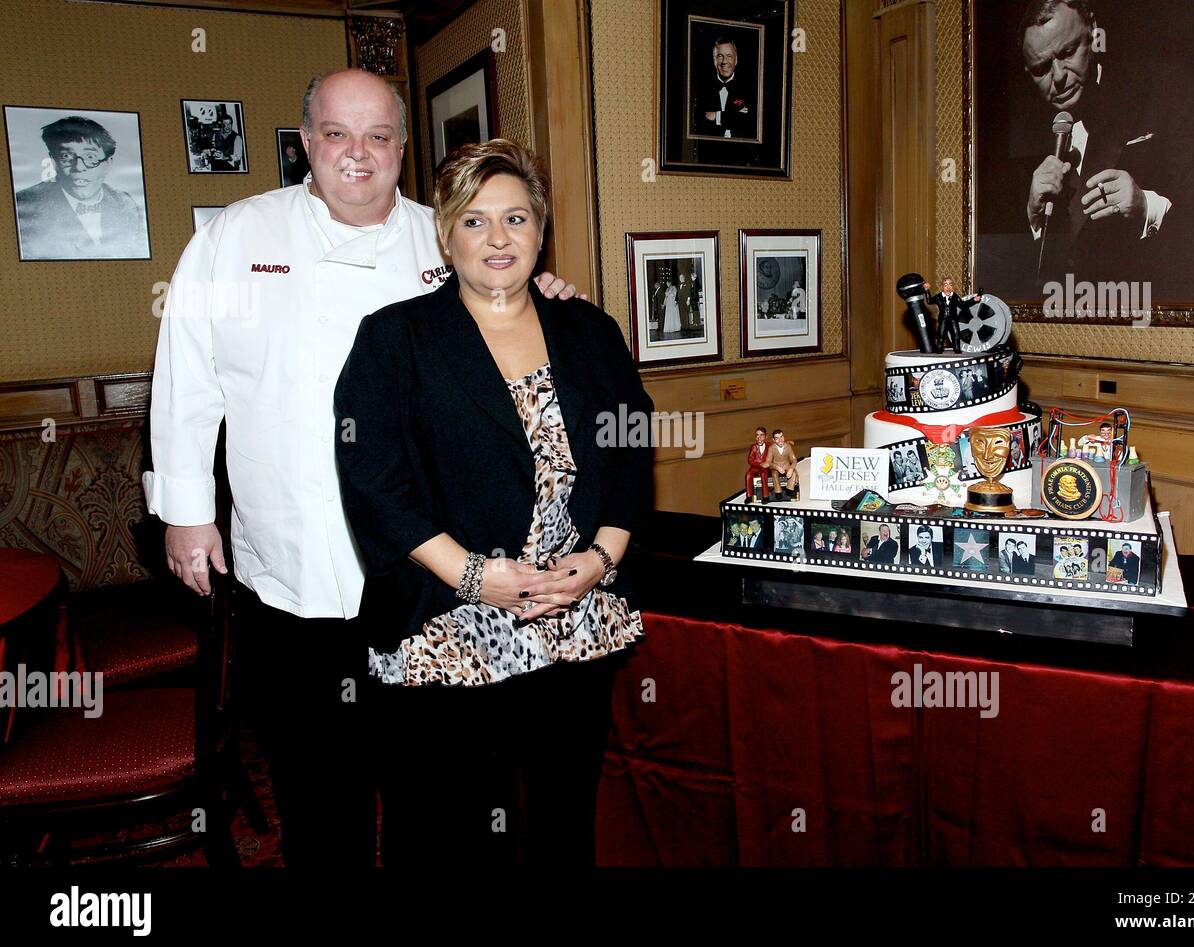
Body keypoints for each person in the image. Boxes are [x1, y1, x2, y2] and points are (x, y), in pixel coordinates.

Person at [144, 69, 580, 867]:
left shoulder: (446, 237)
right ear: (305, 141)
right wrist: (185, 509)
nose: (358, 153)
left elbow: (516, 321)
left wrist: (545, 294)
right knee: (317, 788)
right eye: (337, 134)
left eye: (379, 135)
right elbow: (186, 377)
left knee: (437, 791)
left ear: (403, 149)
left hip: (428, 575)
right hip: (294, 568)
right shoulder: (235, 237)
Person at [334, 138, 653, 866]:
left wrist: (602, 559)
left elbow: (633, 449)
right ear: (445, 234)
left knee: (564, 814)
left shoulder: (590, 331)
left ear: (541, 230)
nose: (498, 238)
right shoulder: (396, 338)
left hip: (576, 613)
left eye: (516, 219)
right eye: (475, 221)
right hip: (451, 619)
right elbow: (374, 481)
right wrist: (480, 578)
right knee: (455, 829)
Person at [1011, 0, 1194, 300]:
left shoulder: (1163, 89)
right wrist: (1033, 217)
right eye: (1041, 69)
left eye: (1068, 53)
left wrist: (1146, 208)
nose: (1057, 77)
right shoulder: (1028, 136)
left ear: (1094, 34)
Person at [14, 115, 148, 260]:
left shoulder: (126, 205)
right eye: (66, 156)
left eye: (90, 157)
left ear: (108, 162)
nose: (78, 167)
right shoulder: (23, 205)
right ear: (53, 161)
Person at [693, 36, 756, 139]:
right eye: (720, 56)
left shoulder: (749, 89)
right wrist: (735, 116)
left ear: (736, 61)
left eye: (729, 56)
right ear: (714, 61)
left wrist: (717, 116)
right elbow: (699, 122)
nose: (724, 61)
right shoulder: (703, 90)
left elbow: (749, 121)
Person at [923, 277, 981, 352]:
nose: (948, 287)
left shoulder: (955, 296)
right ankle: (939, 350)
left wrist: (974, 300)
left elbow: (963, 304)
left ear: (953, 286)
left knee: (956, 335)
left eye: (950, 285)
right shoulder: (938, 297)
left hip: (953, 319)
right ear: (942, 287)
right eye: (945, 285)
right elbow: (929, 301)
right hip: (943, 319)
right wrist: (927, 290)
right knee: (941, 334)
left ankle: (957, 349)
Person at [762, 428, 799, 501]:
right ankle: (778, 492)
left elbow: (794, 459)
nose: (780, 440)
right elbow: (768, 462)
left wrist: (791, 468)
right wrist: (777, 467)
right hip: (776, 467)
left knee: (794, 473)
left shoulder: (788, 447)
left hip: (786, 465)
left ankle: (789, 490)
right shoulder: (771, 448)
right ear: (773, 440)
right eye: (777, 438)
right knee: (775, 475)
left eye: (781, 437)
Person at [745, 426, 770, 502]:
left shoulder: (769, 445)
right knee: (748, 475)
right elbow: (750, 460)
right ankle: (749, 496)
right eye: (757, 435)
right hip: (755, 467)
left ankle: (765, 496)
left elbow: (778, 443)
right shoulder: (753, 447)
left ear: (765, 436)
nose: (759, 437)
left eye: (761, 435)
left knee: (764, 475)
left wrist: (787, 443)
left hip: (765, 467)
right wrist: (759, 465)